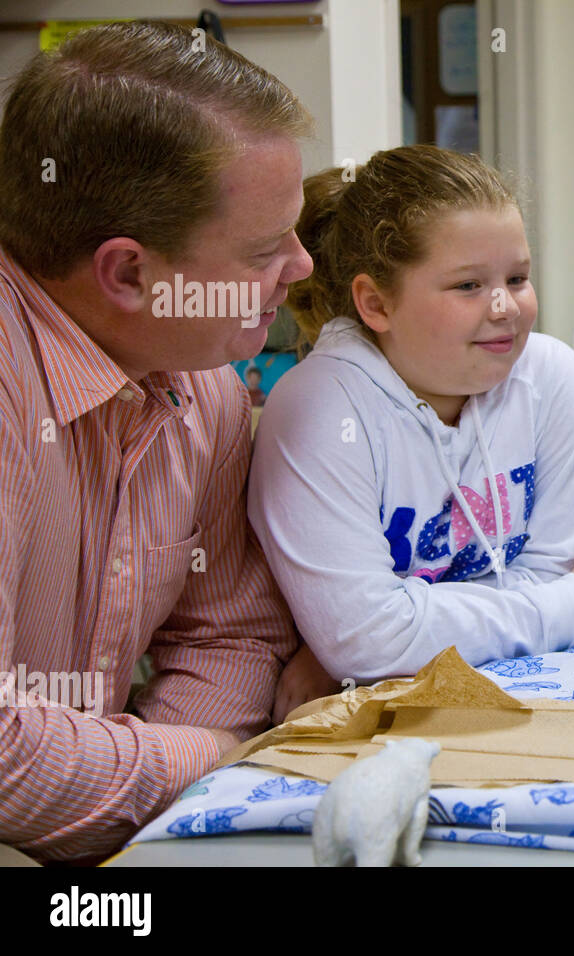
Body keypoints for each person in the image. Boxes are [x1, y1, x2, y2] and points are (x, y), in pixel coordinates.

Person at [0, 21, 327, 863]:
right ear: (130, 274)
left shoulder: (205, 382)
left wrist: (172, 816)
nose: (300, 268)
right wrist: (216, 762)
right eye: (263, 249)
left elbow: (229, 634)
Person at [248, 145, 574, 682]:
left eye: (517, 278)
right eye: (469, 285)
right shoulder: (317, 406)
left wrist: (396, 635)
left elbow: (558, 574)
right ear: (376, 304)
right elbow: (368, 641)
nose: (505, 307)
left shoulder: (551, 373)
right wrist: (573, 608)